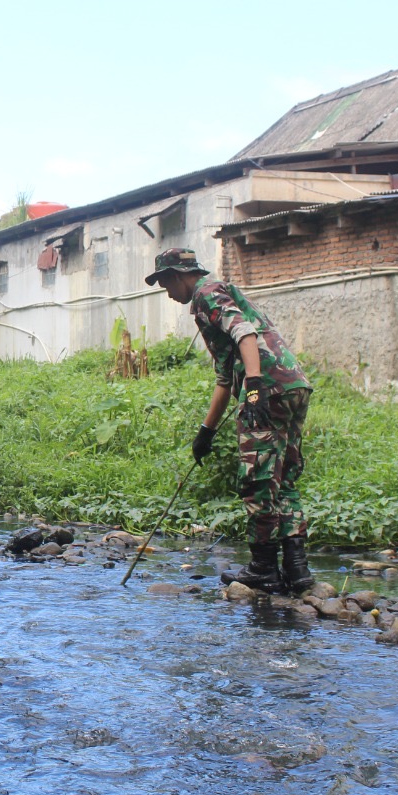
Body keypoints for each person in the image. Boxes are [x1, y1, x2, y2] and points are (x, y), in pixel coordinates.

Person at [145, 246, 314, 594]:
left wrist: (253, 387)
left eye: (165, 284)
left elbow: (244, 333)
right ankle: (297, 570)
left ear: (177, 275)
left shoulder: (206, 294)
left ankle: (263, 567)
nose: (167, 293)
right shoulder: (215, 294)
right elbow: (225, 378)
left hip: (266, 388)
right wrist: (205, 432)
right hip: (292, 385)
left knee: (259, 478)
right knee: (284, 479)